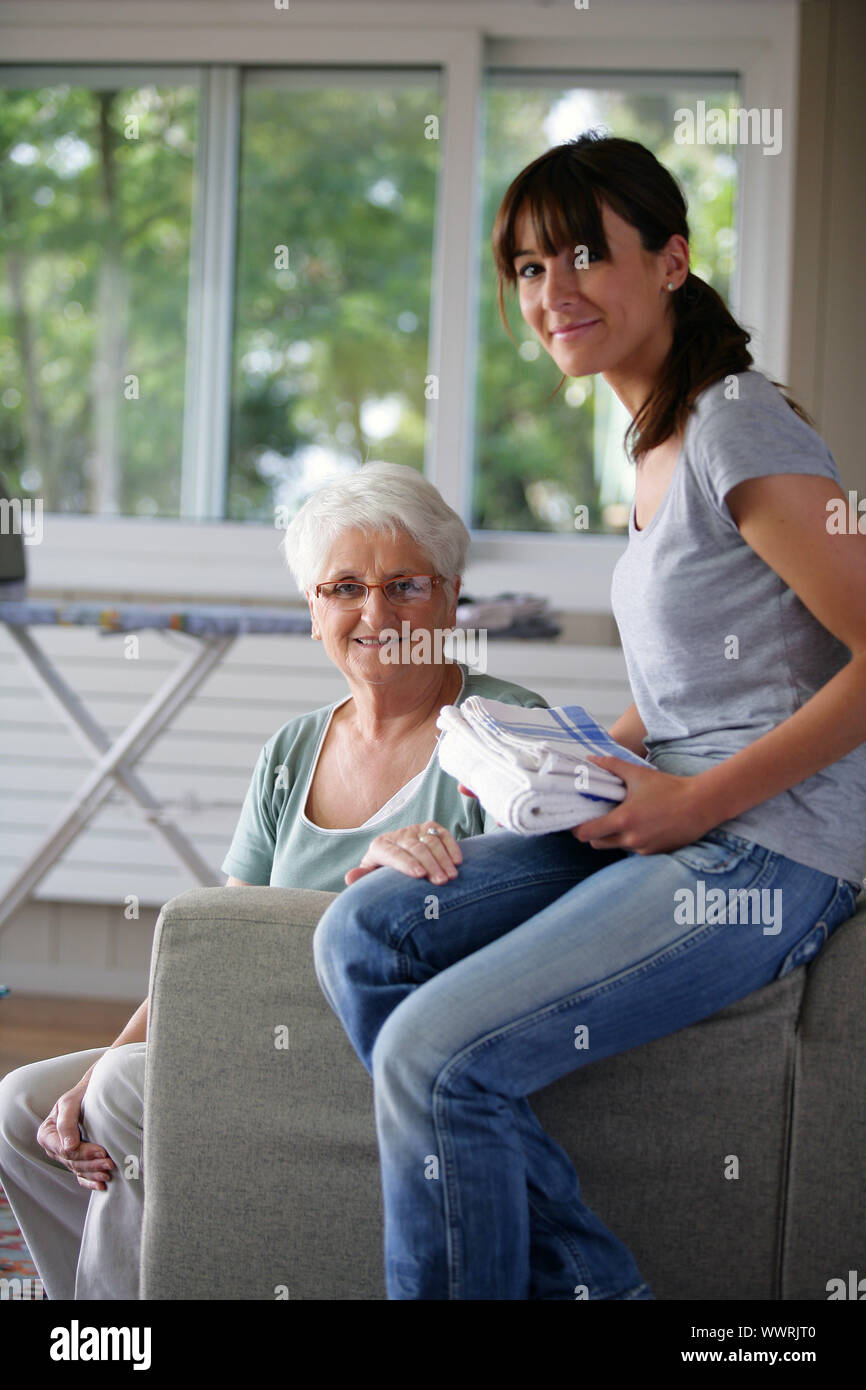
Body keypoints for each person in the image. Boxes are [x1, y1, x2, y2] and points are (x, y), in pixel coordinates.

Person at [311, 134, 866, 1300]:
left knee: (434, 1051)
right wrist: (561, 754)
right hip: (672, 801)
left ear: (668, 261)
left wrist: (693, 800)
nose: (548, 293)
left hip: (771, 845)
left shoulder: (734, 425)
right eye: (522, 268)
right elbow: (711, 682)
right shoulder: (654, 439)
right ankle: (592, 1287)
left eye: (579, 256)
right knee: (359, 934)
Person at [0, 461, 546, 1300]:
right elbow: (212, 946)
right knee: (25, 1108)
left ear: (450, 595)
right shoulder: (292, 750)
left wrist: (444, 878)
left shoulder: (503, 732)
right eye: (345, 588)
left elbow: (544, 924)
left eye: (405, 585)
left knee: (122, 1093)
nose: (377, 614)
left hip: (379, 1057)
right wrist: (90, 1071)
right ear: (313, 609)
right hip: (247, 1034)